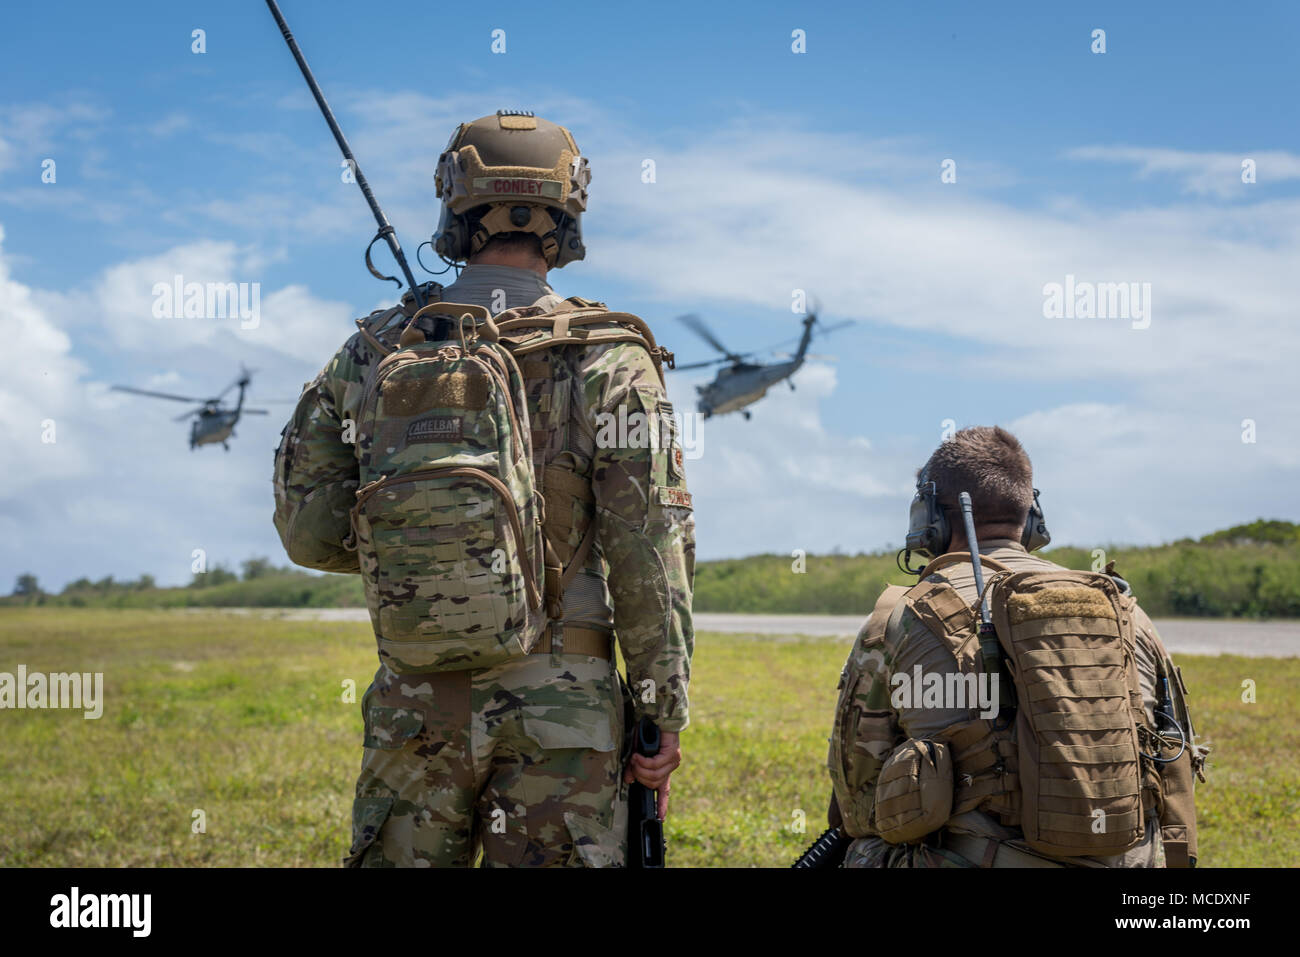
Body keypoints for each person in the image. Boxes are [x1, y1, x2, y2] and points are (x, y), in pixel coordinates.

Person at [273, 111, 694, 867]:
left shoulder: (375, 349)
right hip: (563, 707)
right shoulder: (612, 357)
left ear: (455, 203)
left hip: (415, 697)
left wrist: (434, 552)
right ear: (567, 213)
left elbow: (309, 530)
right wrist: (661, 708)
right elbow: (648, 551)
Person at [826, 426, 1206, 868]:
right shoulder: (1122, 608)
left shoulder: (899, 615)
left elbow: (853, 796)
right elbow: (1174, 757)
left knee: (864, 850)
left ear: (929, 517)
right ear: (1032, 515)